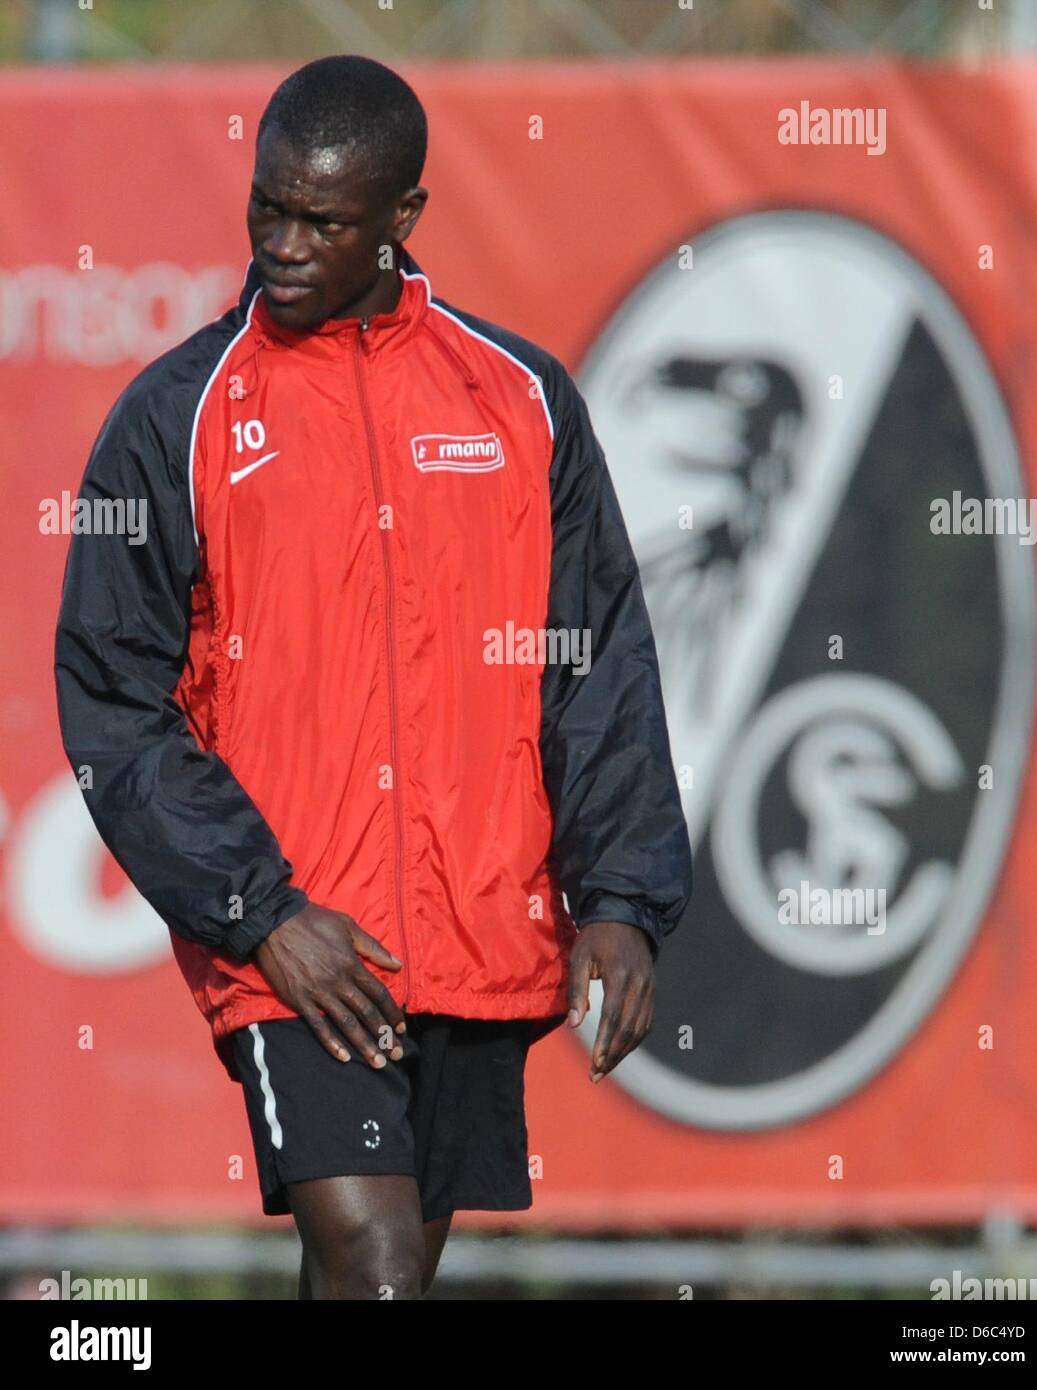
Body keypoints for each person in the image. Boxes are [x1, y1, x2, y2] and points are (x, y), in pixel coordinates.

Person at [54, 54, 691, 1300]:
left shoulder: (520, 401)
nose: (284, 244)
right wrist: (260, 913)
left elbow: (600, 660)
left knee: (375, 1270)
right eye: (267, 208)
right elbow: (113, 704)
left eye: (325, 220)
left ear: (403, 219)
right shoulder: (172, 415)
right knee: (378, 1259)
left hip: (469, 930)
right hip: (293, 941)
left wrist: (619, 895)